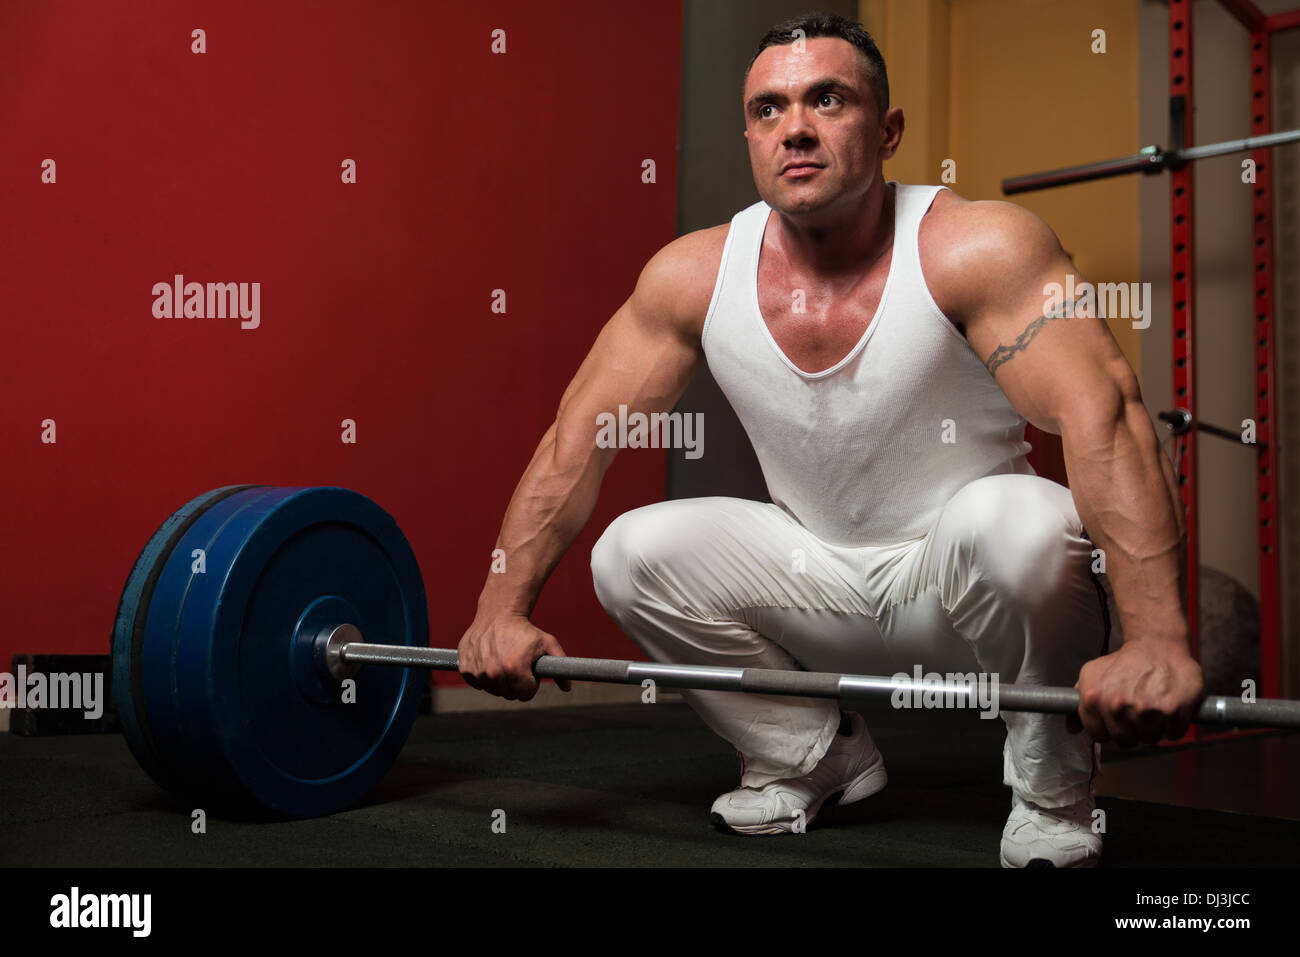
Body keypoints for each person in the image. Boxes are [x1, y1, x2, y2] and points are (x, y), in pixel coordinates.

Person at [456, 12, 1203, 867]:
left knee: (1023, 523)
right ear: (749, 134)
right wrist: (500, 608)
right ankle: (811, 755)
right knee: (630, 552)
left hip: (966, 586)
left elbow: (1105, 417)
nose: (796, 128)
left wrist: (1156, 638)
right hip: (814, 580)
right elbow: (574, 443)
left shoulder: (979, 247)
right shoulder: (691, 276)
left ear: (887, 131)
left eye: (827, 99)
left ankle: (1050, 790)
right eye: (769, 109)